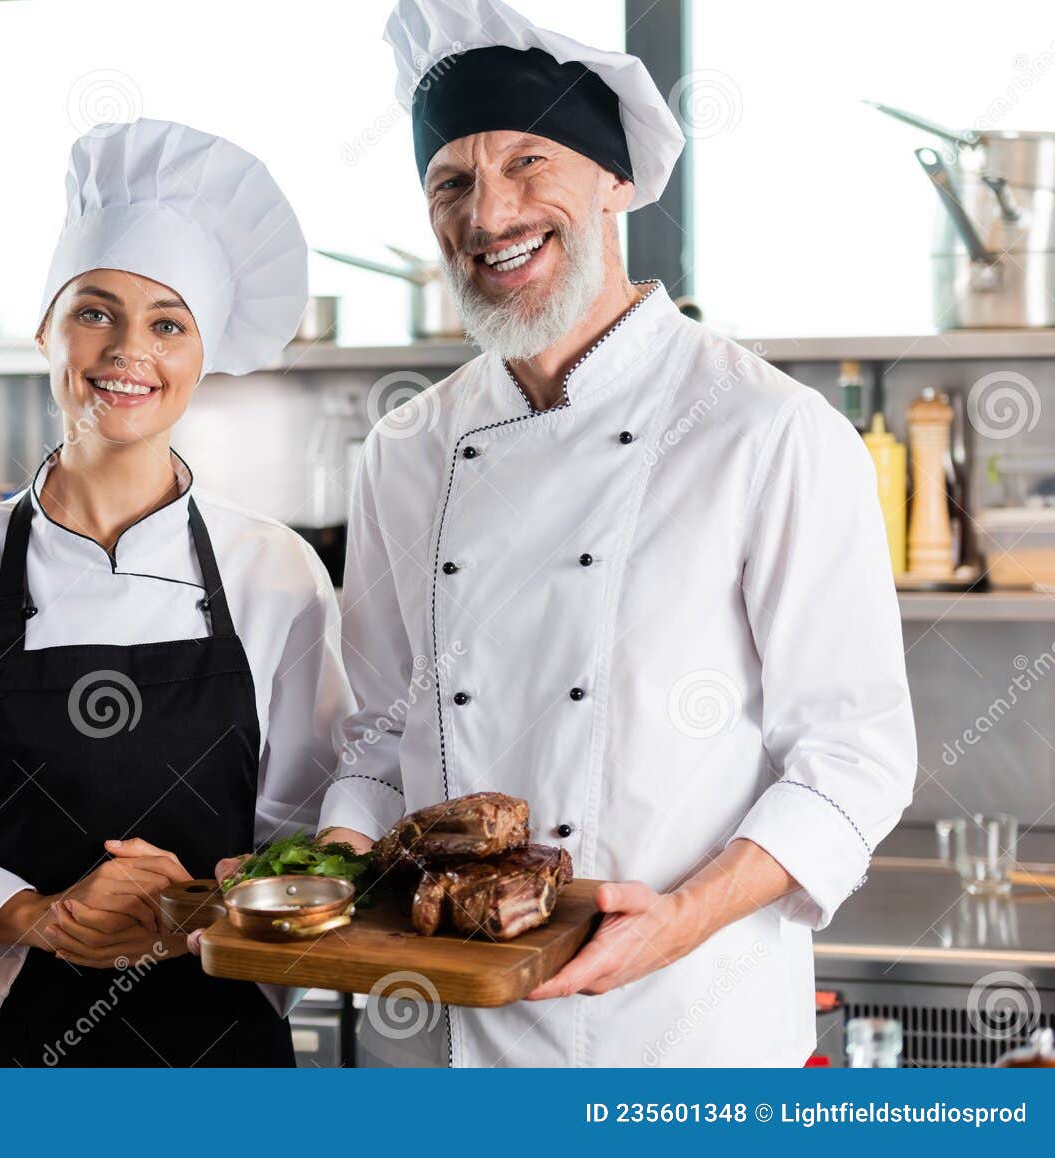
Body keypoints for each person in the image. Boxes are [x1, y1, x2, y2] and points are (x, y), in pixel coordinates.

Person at [314, 0, 916, 1066]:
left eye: (529, 163)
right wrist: (328, 863)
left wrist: (682, 917)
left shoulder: (766, 431)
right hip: (435, 1030)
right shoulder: (404, 450)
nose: (489, 213)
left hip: (678, 1032)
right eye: (450, 182)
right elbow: (374, 734)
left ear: (615, 181)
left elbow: (852, 761)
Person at [0, 118, 352, 1067]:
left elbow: (320, 830)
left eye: (168, 323)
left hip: (222, 1044)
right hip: (12, 1052)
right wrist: (40, 915)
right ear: (45, 331)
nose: (127, 350)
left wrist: (196, 905)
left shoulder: (276, 571)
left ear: (201, 355)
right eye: (95, 311)